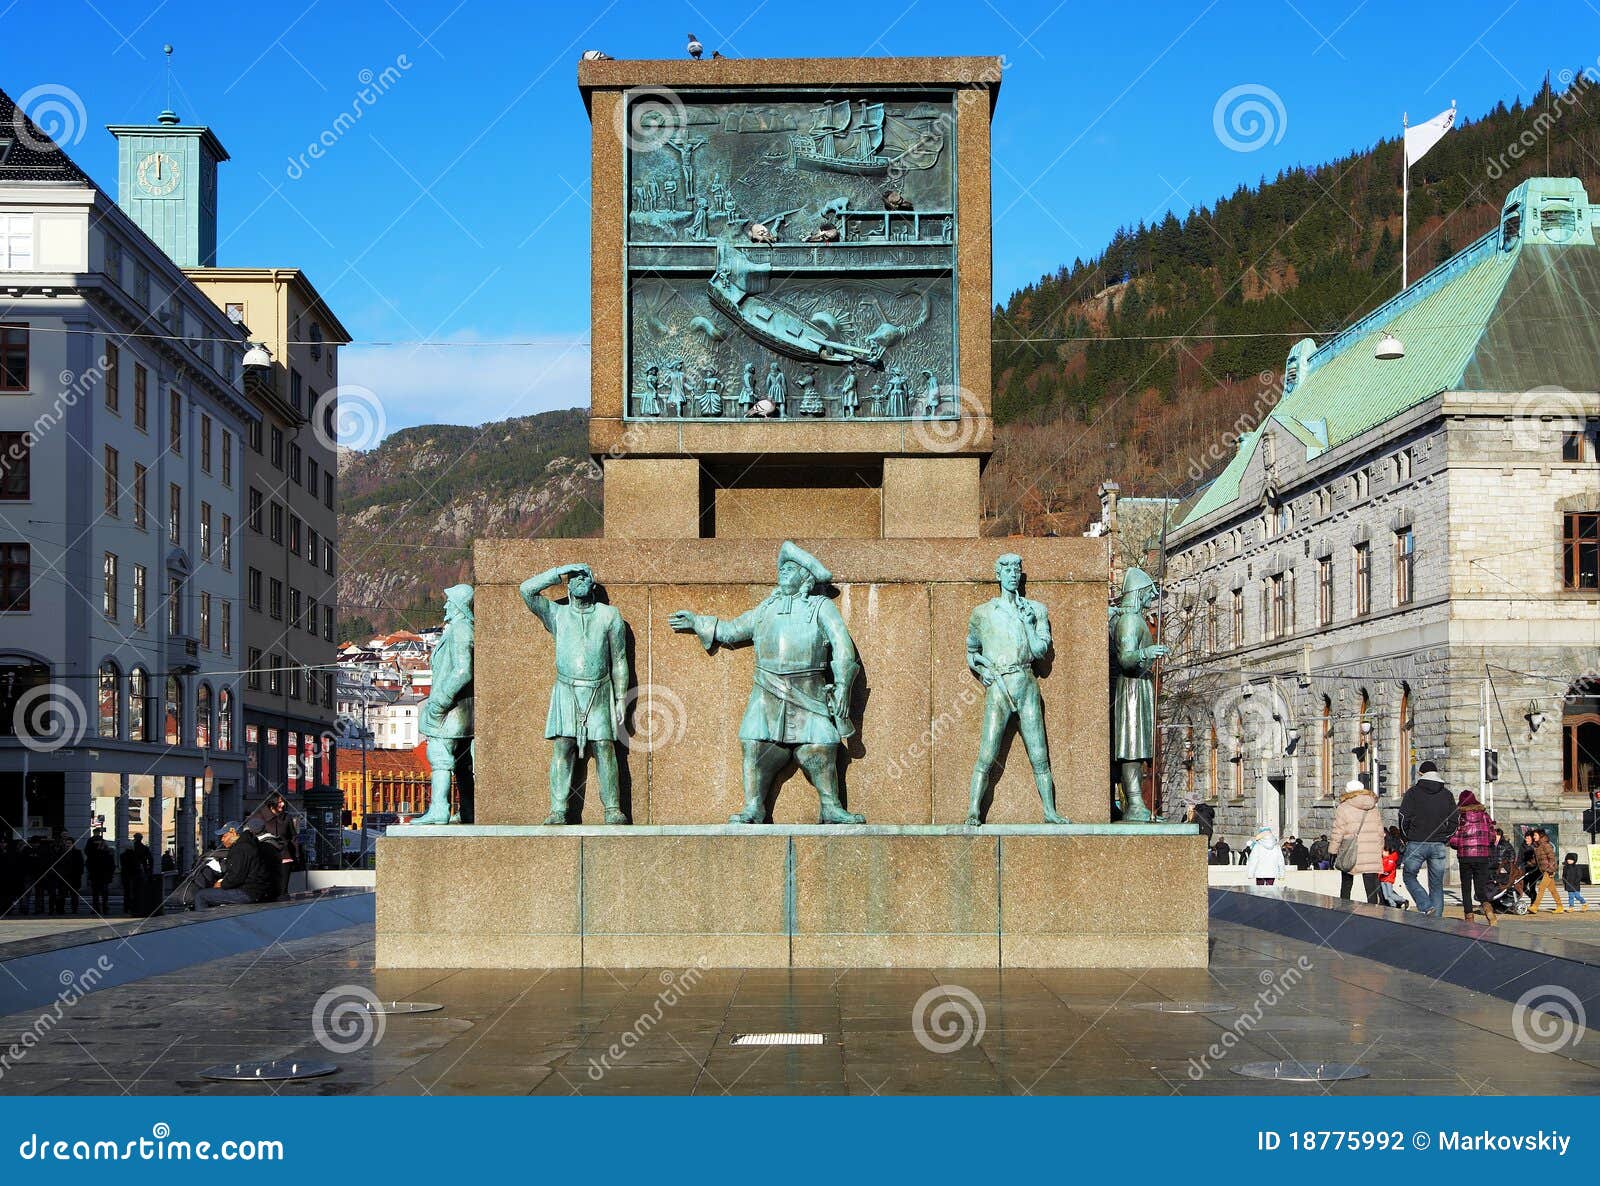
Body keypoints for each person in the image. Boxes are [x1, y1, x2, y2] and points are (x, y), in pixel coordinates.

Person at [1398, 760, 1458, 917]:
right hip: (1438, 843)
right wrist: (1446, 837)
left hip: (1416, 841)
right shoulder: (1447, 794)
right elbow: (1455, 820)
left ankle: (1425, 905)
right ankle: (1436, 920)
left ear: (1421, 774)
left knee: (1409, 876)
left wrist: (1406, 836)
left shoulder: (1412, 793)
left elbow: (1403, 817)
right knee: (1437, 884)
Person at [193, 822, 274, 909]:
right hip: (257, 889)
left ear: (233, 832)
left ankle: (204, 918)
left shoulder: (240, 849)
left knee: (201, 896)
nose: (222, 840)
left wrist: (221, 884)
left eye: (224, 836)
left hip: (248, 892)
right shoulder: (249, 843)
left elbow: (236, 877)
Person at [1447, 789, 1498, 924]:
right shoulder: (1485, 816)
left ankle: (1469, 917)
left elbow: (1454, 840)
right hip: (1482, 856)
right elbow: (1492, 836)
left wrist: (1458, 845)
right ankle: (1488, 908)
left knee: (1466, 888)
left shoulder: (1460, 817)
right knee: (1480, 887)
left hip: (1465, 856)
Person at [1330, 778, 1384, 903]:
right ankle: (1373, 909)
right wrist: (1379, 849)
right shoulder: (1373, 807)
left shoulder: (1343, 807)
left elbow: (1338, 831)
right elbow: (1380, 832)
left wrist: (1333, 851)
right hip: (1371, 850)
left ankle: (1344, 906)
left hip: (1351, 849)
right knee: (1371, 883)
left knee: (1347, 880)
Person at [248, 794, 299, 899]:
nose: (282, 804)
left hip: (284, 857)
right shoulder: (258, 816)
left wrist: (297, 856)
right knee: (268, 889)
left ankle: (283, 905)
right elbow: (252, 837)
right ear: (271, 803)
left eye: (283, 801)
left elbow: (293, 837)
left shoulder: (286, 817)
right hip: (265, 858)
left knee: (282, 890)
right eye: (279, 802)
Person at [1528, 828, 1565, 914]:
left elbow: (1552, 858)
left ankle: (1535, 906)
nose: (1534, 837)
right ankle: (1560, 906)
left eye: (1535, 835)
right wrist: (1528, 864)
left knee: (1541, 888)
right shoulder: (1538, 846)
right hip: (1544, 870)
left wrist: (1551, 870)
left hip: (1548, 871)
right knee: (1553, 890)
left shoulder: (1546, 845)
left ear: (1540, 836)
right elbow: (1537, 860)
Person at [120, 833, 151, 916]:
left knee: (127, 891)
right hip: (137, 874)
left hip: (126, 875)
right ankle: (136, 907)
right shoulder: (143, 849)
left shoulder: (122, 855)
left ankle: (126, 907)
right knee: (137, 891)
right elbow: (149, 860)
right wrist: (147, 870)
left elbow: (122, 865)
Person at [85, 830, 115, 915]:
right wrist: (110, 874)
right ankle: (104, 908)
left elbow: (88, 862)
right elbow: (111, 866)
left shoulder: (92, 853)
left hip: (96, 874)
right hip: (103, 875)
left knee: (96, 893)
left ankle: (97, 908)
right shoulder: (107, 853)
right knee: (103, 892)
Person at [58, 833, 84, 915]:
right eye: (67, 843)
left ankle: (74, 910)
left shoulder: (77, 852)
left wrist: (79, 874)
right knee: (62, 894)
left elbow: (81, 864)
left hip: (74, 877)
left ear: (73, 844)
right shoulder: (60, 852)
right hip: (63, 877)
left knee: (74, 895)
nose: (68, 845)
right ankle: (61, 910)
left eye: (69, 843)